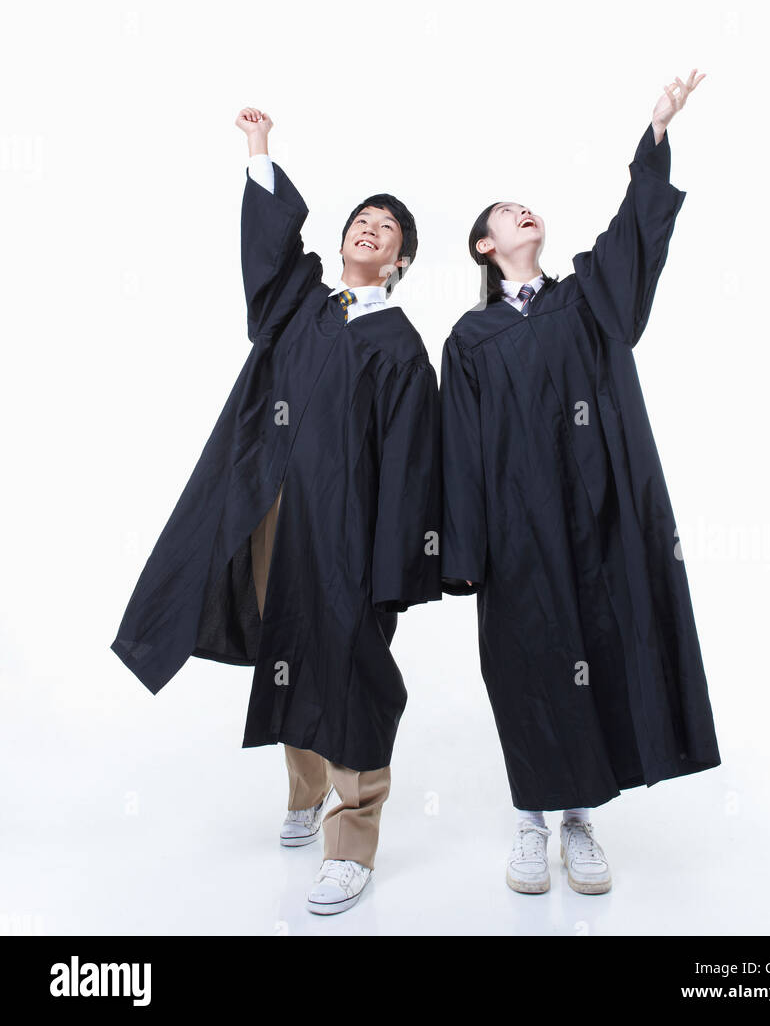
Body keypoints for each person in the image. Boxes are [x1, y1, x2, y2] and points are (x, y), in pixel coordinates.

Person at [112, 108, 441, 915]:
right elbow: (267, 255)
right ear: (342, 244)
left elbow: (410, 465)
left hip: (347, 532)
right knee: (288, 647)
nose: (372, 229)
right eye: (362, 220)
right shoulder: (299, 304)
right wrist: (260, 153)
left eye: (388, 228)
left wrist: (392, 565)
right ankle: (305, 791)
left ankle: (352, 838)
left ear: (400, 260)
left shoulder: (400, 346)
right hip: (267, 508)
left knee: (348, 665)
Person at [439, 70, 720, 897]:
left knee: (597, 644)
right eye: (502, 212)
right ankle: (532, 817)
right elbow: (456, 446)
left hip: (598, 515)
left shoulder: (589, 299)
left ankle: (580, 819)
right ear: (486, 247)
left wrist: (657, 133)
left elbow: (636, 235)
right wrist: (464, 550)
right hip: (516, 530)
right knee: (527, 661)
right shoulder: (470, 338)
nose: (520, 211)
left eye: (526, 205)